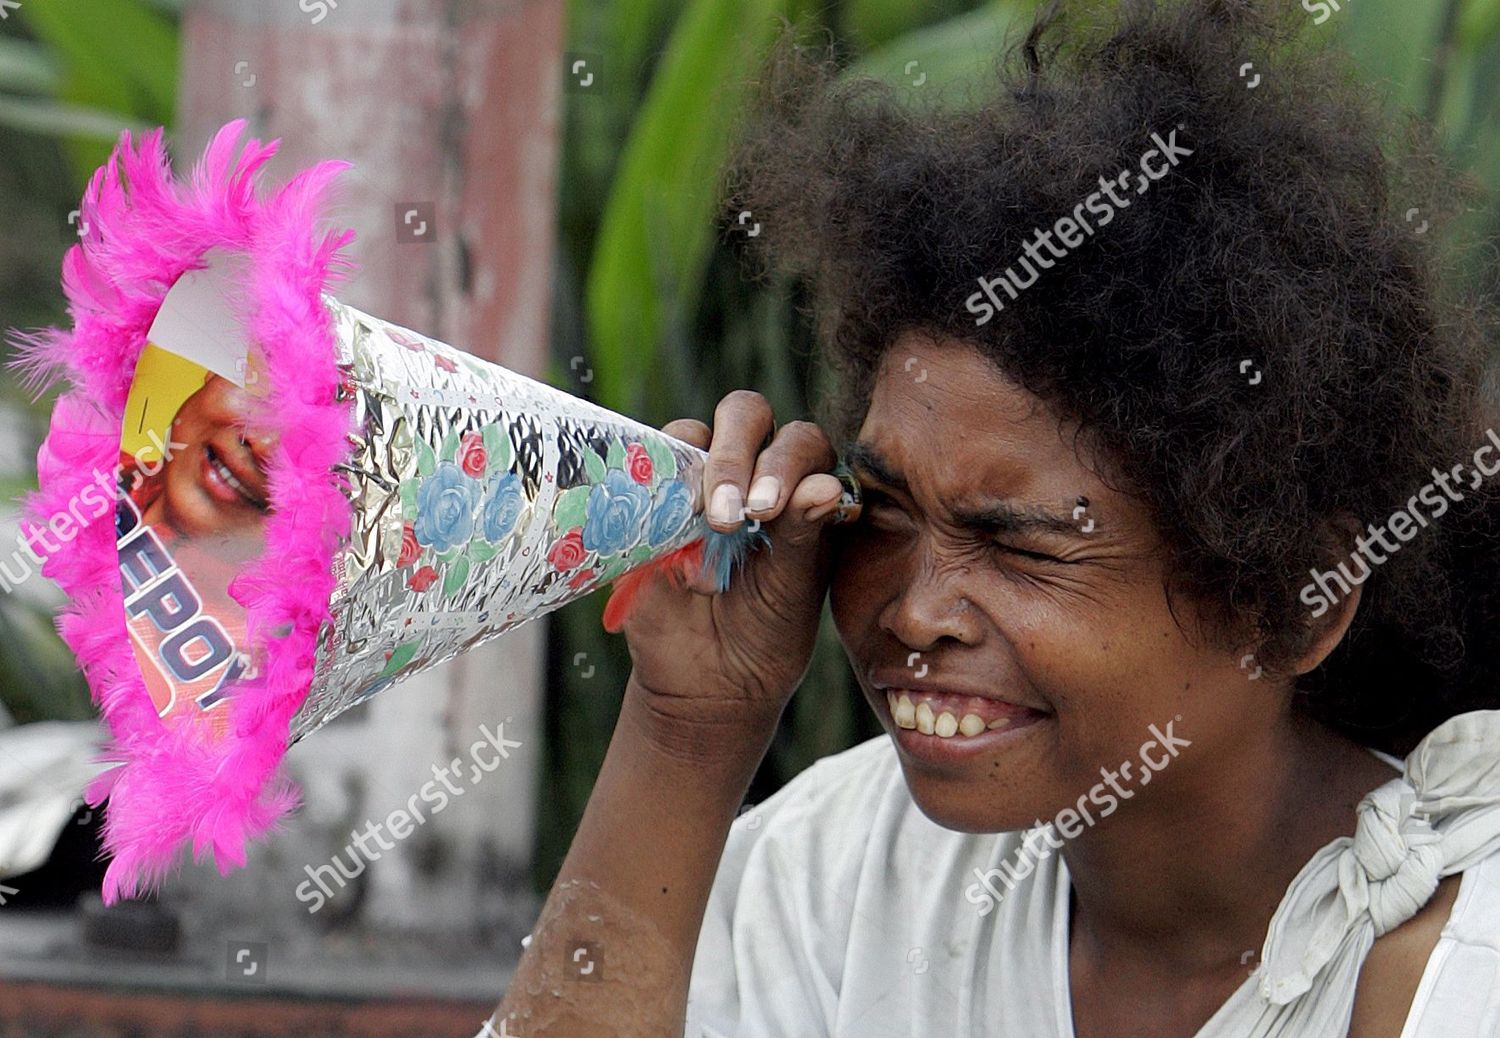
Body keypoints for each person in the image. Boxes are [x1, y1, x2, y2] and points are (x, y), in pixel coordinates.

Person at [488, 1, 1500, 1034]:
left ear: (1294, 600)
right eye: (885, 509)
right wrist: (689, 729)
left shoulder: (1463, 962)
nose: (916, 612)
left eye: (1019, 542)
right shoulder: (842, 874)